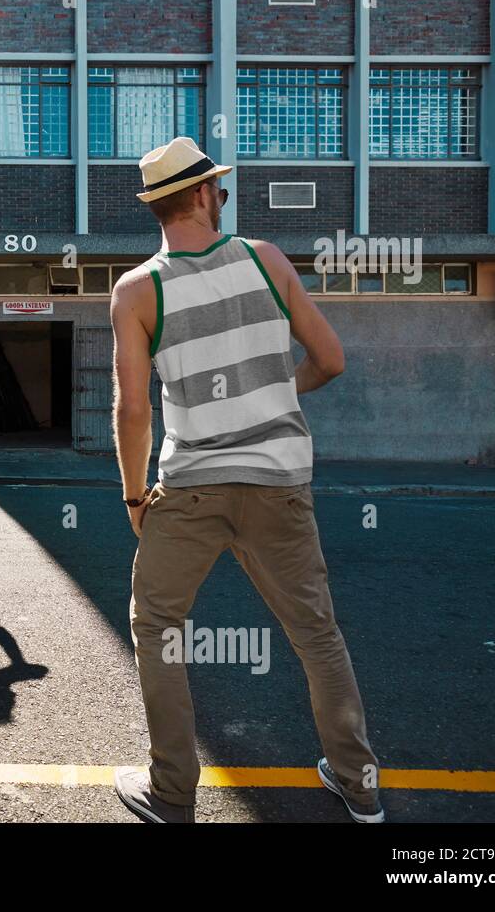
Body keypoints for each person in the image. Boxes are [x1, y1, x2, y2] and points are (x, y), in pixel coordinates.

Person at [110, 137, 382, 823]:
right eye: (221, 192)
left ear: (159, 209)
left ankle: (172, 793)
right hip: (278, 484)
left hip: (192, 485)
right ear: (203, 195)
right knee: (316, 635)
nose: (223, 202)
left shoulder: (138, 290)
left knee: (158, 625)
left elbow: (133, 409)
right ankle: (359, 783)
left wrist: (135, 494)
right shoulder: (266, 261)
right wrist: (274, 395)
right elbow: (332, 360)